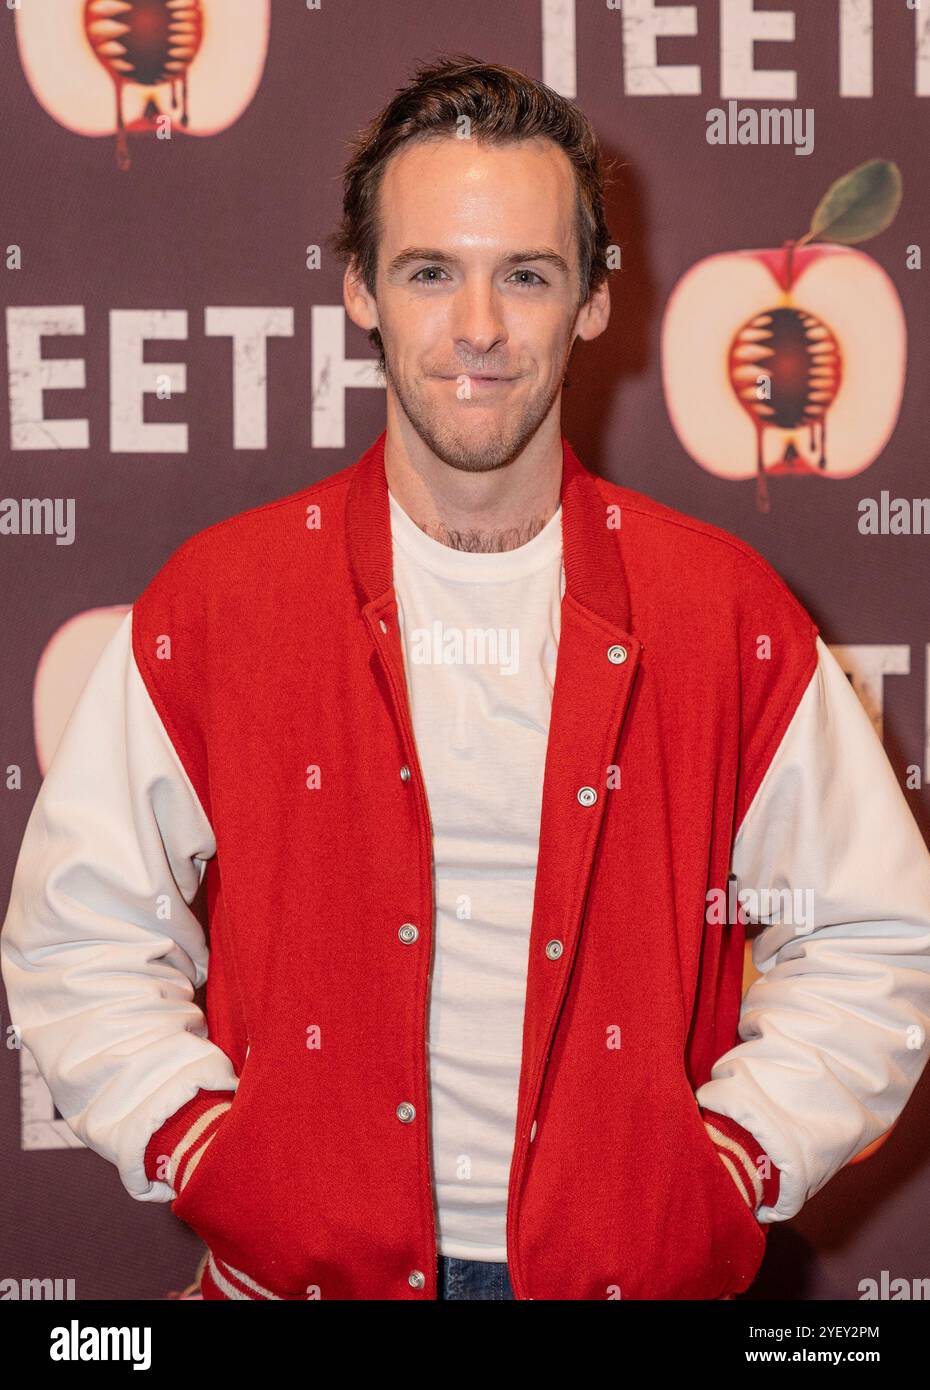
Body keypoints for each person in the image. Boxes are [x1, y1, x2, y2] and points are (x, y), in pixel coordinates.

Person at [3, 55, 930, 1303]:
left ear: (594, 301)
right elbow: (80, 931)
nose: (480, 326)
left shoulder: (725, 614)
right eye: (432, 270)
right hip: (297, 1285)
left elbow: (875, 936)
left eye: (528, 274)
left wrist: (730, 1161)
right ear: (361, 292)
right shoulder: (223, 602)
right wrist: (213, 1152)